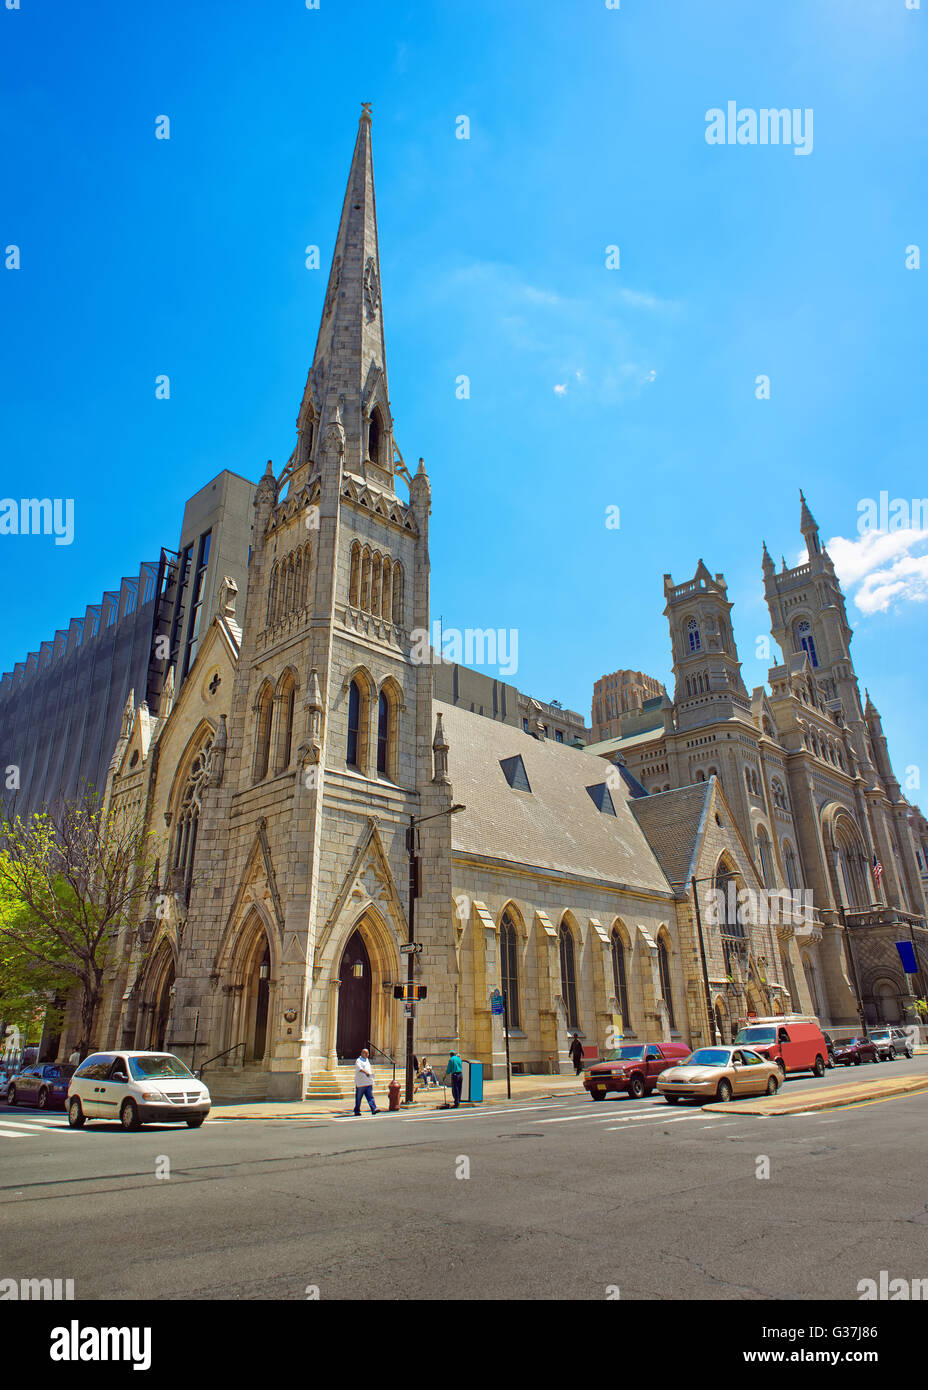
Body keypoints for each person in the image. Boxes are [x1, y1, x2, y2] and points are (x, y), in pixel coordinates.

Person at [353, 1048, 379, 1116]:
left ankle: (374, 1109)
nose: (366, 1054)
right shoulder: (358, 1060)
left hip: (368, 1082)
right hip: (361, 1083)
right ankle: (357, 1110)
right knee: (359, 1098)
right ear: (361, 1053)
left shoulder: (367, 1060)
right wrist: (366, 1072)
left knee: (370, 1097)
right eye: (365, 1053)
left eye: (367, 1053)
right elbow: (360, 1069)